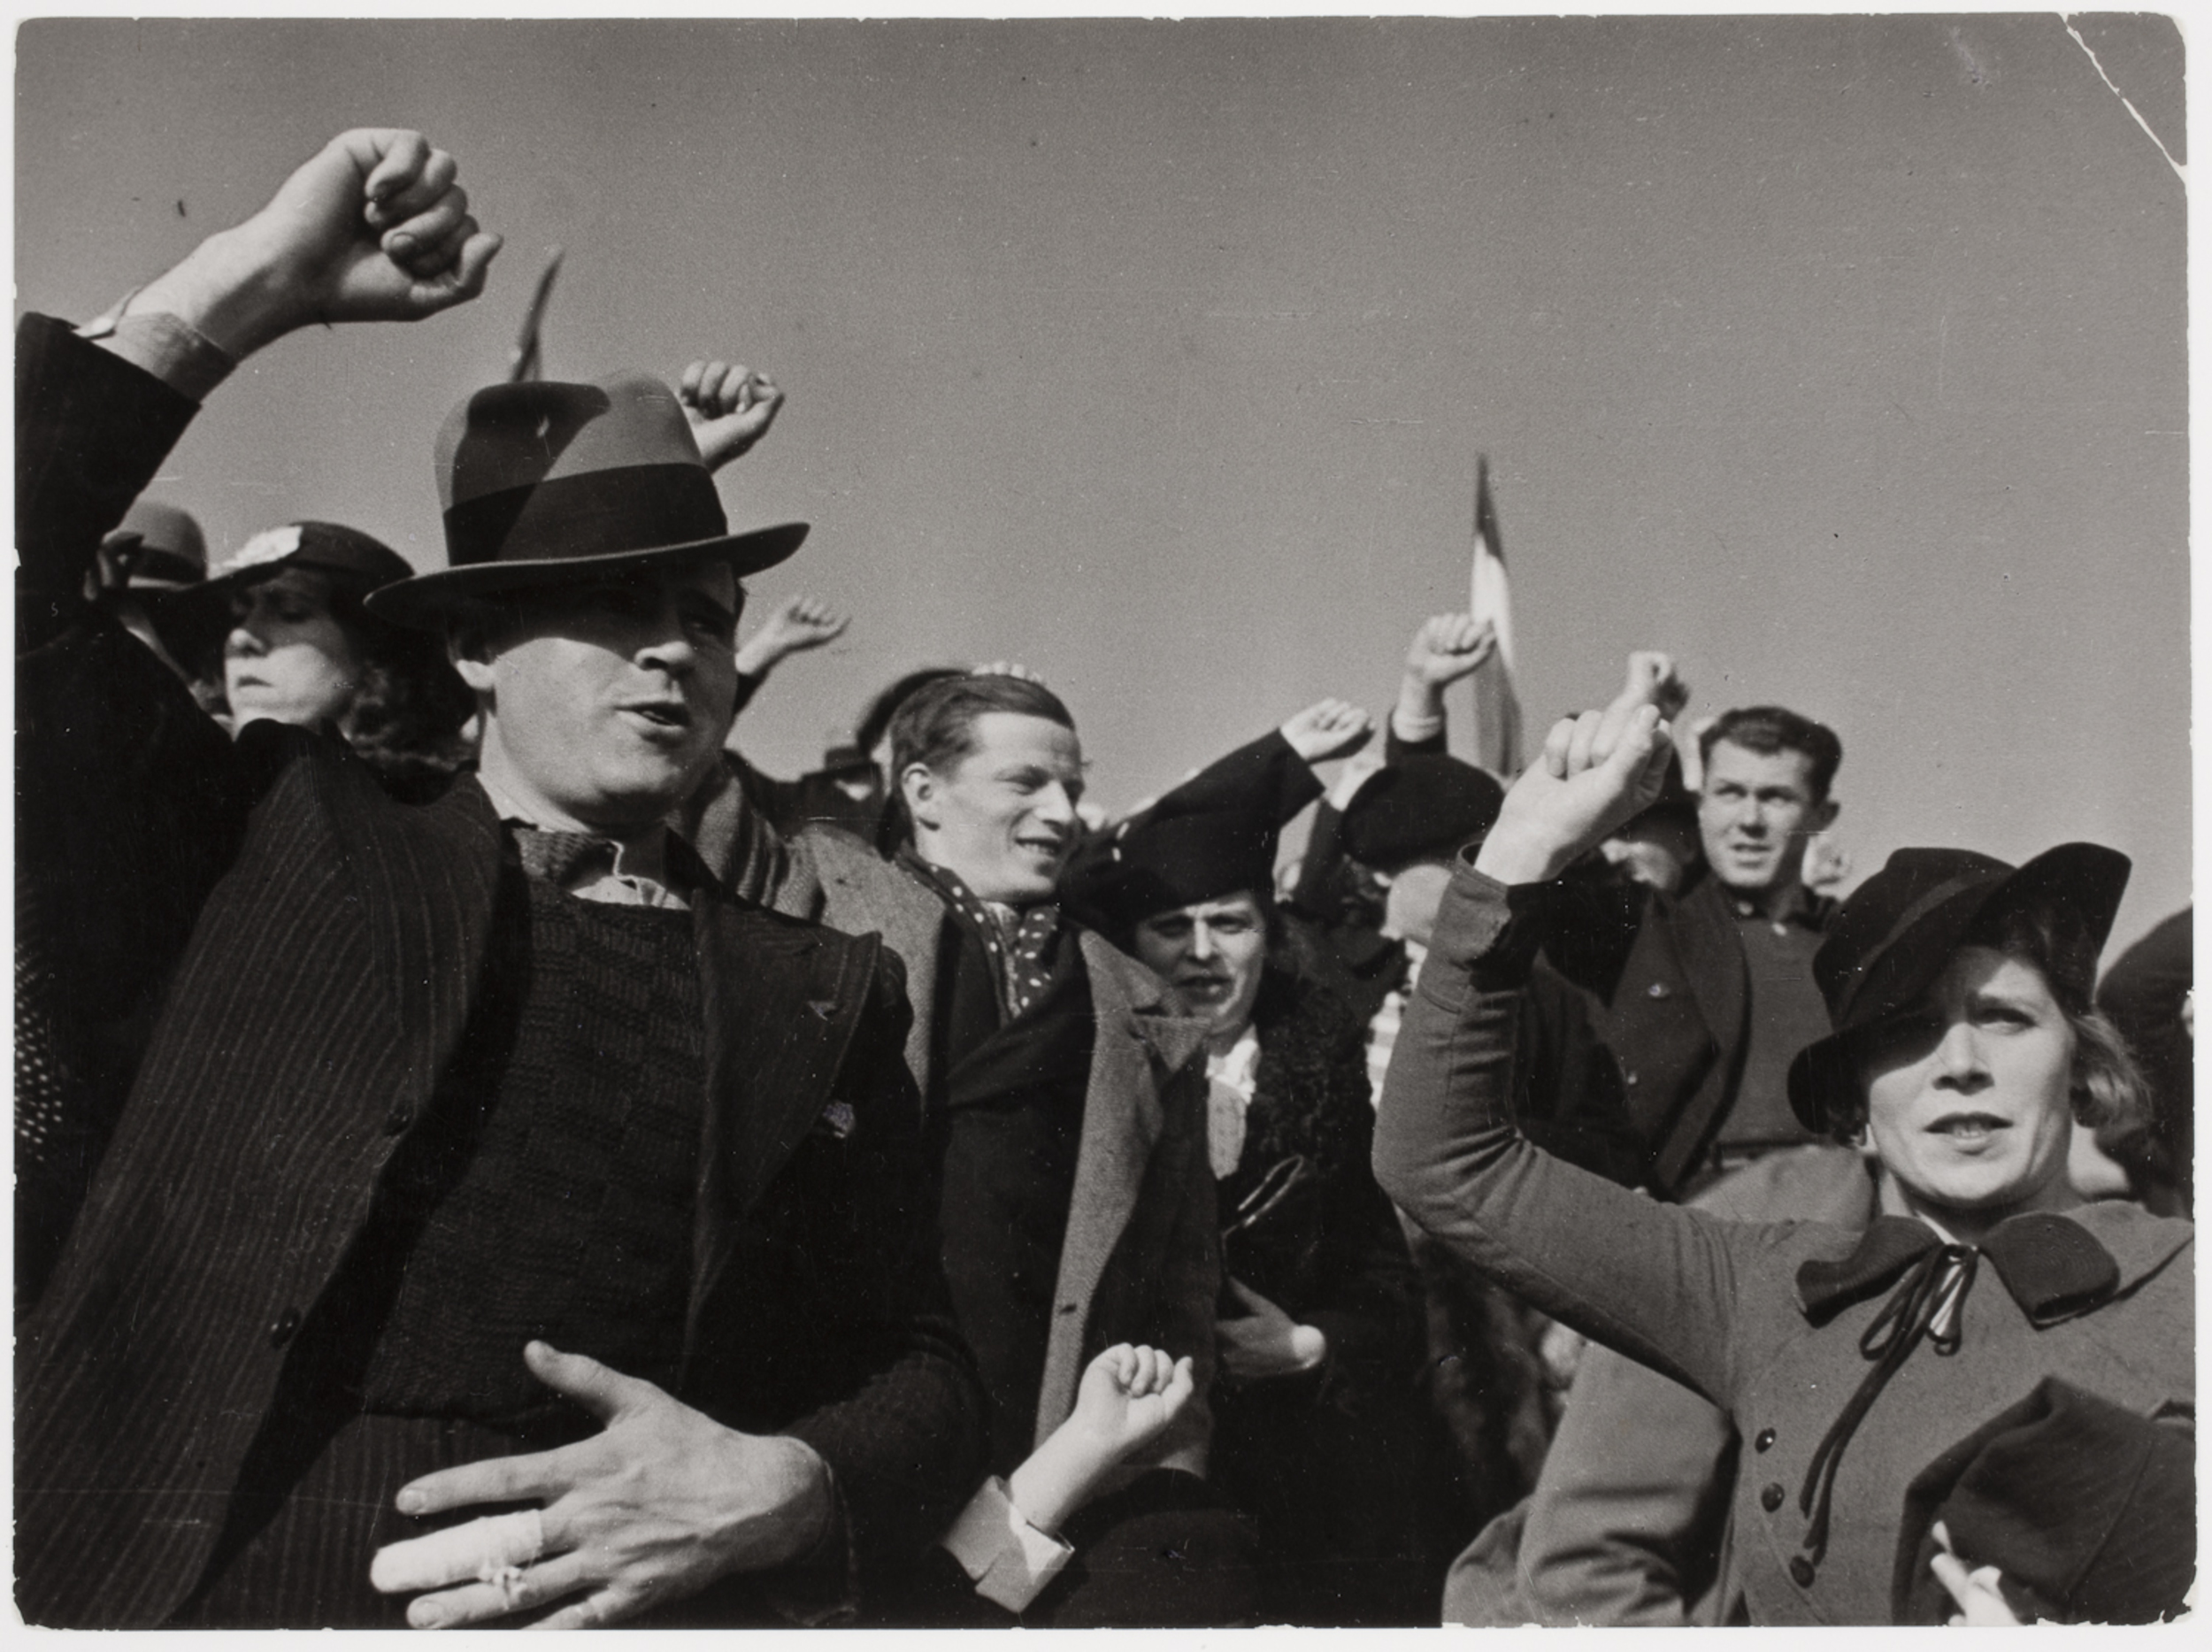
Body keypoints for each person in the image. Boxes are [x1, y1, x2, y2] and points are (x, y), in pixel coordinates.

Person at [16, 127, 984, 1630]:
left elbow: (921, 1365)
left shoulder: (821, 983)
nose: (675, 646)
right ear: (471, 646)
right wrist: (244, 287)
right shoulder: (270, 835)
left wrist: (796, 1480)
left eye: (706, 615)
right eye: (611, 604)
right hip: (212, 1581)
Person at [1374, 699, 2192, 1625]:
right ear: (1853, 1106)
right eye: (1911, 1031)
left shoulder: (2181, 1286)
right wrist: (1516, 860)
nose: (1961, 1065)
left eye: (2002, 1017)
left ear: (2081, 1066)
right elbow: (1444, 1161)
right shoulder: (1758, 1284)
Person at [733, 670, 1250, 1626]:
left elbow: (1179, 1282)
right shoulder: (814, 904)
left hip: (1057, 1453)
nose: (1062, 811)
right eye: (1024, 783)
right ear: (922, 792)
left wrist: (1165, 1461)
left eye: (1070, 785)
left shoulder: (1143, 1011)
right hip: (842, 1433)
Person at [1075, 747, 1429, 1625]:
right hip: (1131, 1464)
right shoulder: (1089, 1069)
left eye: (1229, 923)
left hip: (1303, 1474)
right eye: (1170, 926)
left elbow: (1385, 1289)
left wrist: (1306, 1345)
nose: (1200, 953)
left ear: (1268, 936)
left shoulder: (1324, 1069)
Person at [1538, 700, 1848, 1199]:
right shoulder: (1644, 924)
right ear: (1700, 803)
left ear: (1820, 815)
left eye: (1776, 798)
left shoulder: (1853, 944)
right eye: (1729, 793)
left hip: (1839, 1208)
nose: (1749, 819)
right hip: (1692, 1216)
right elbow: (1526, 882)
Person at [192, 518, 476, 793]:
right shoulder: (195, 793)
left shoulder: (440, 804)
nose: (240, 637)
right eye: (237, 616)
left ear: (375, 649)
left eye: (291, 611)